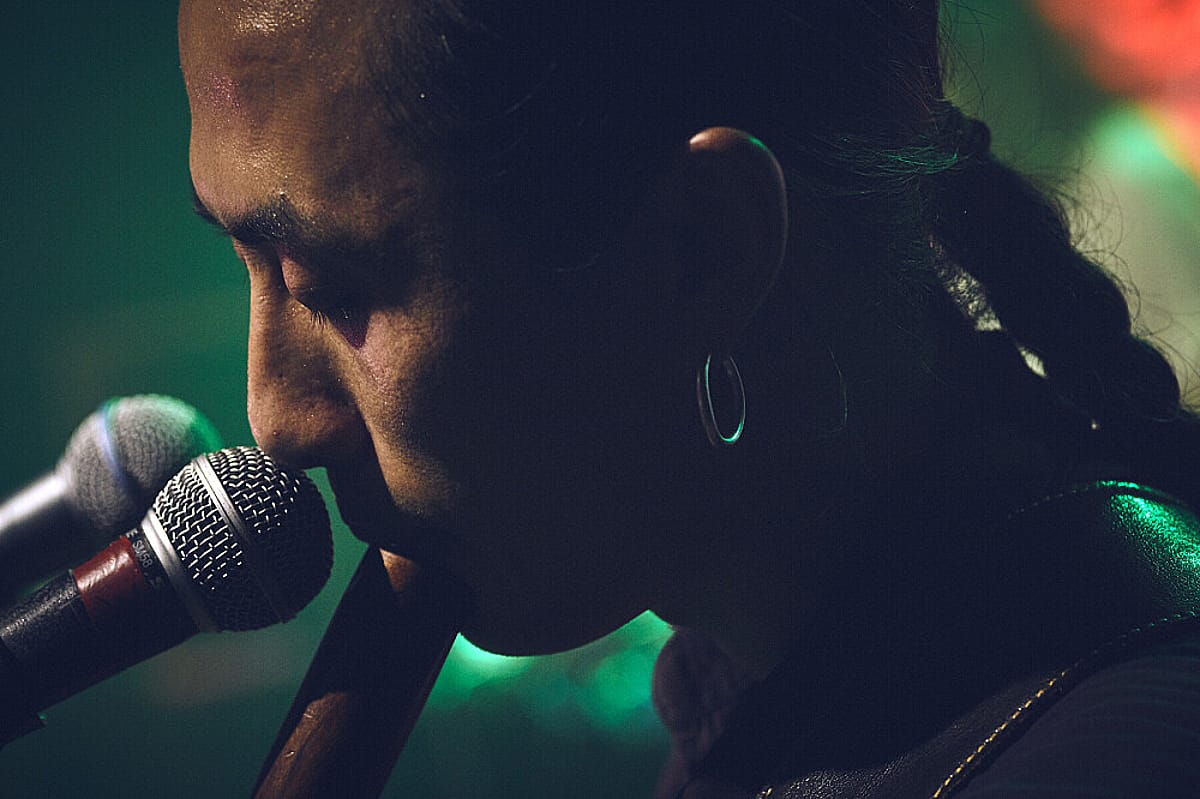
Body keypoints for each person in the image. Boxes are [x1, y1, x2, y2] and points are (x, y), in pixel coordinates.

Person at [178, 0, 1200, 796]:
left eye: (336, 288)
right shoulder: (775, 691)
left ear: (703, 250)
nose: (276, 419)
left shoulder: (1105, 752)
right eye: (245, 260)